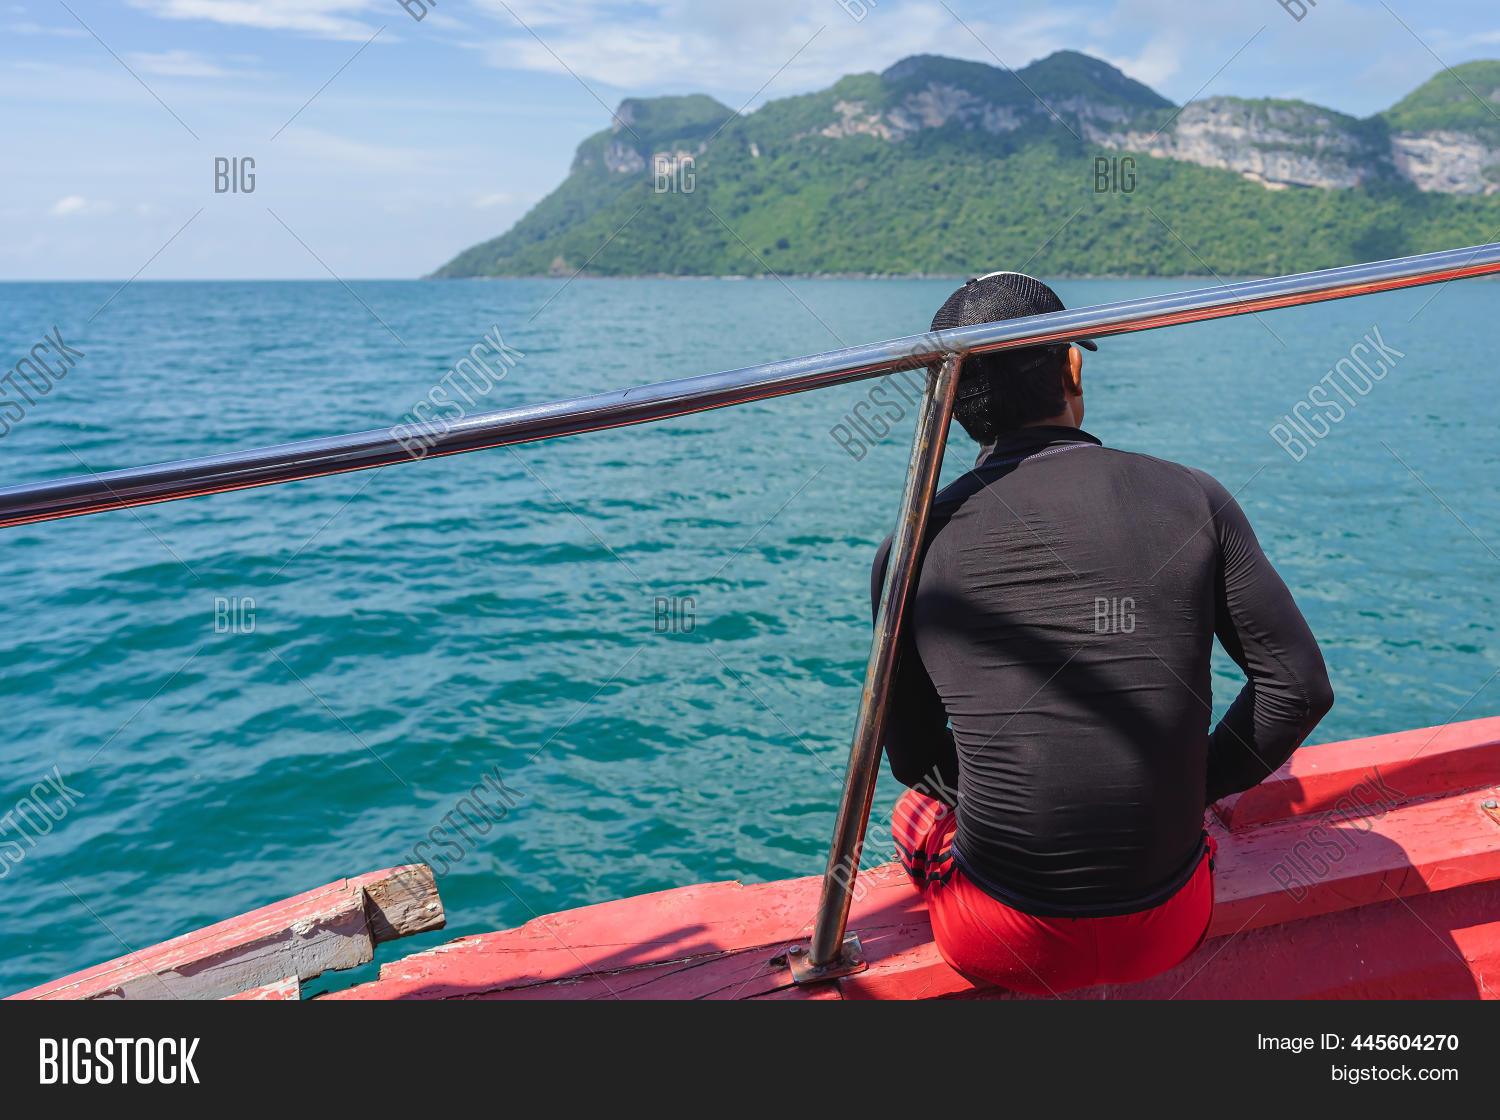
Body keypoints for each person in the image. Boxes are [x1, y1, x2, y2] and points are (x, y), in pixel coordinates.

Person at [878, 271, 1334, 995]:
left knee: (914, 813)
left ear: (953, 406)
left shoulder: (912, 545)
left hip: (1000, 936)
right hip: (1169, 921)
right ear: (1073, 366)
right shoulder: (1193, 495)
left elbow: (914, 758)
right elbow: (1298, 690)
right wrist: (1193, 786)